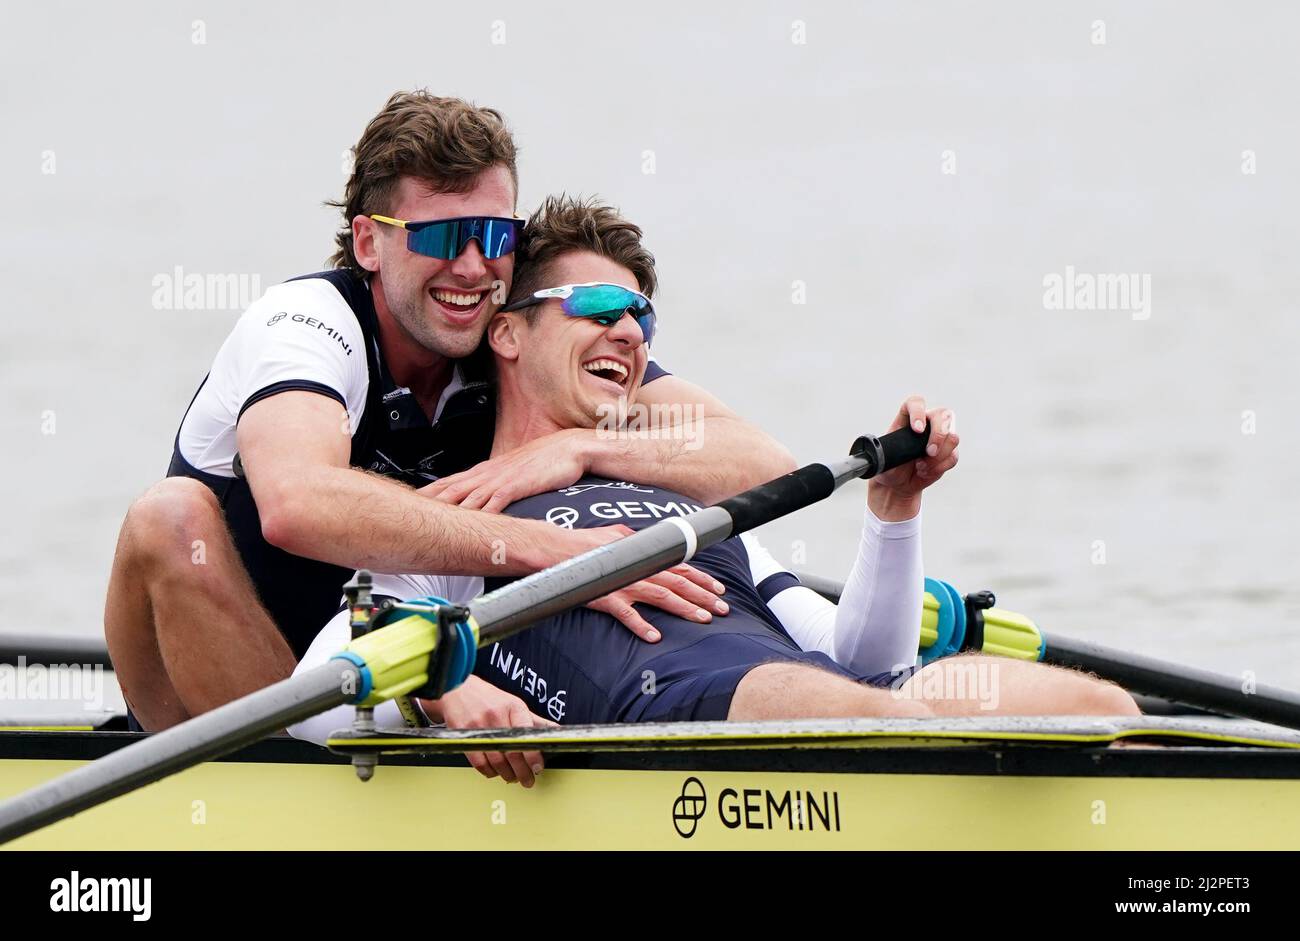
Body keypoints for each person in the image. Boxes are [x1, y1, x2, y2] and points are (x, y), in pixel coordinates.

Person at [290, 195, 1139, 787]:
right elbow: (316, 694)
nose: (628, 332)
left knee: (1103, 708)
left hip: (824, 699)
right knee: (891, 715)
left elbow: (865, 659)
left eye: (641, 317)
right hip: (682, 718)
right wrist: (442, 688)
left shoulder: (695, 504)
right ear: (507, 334)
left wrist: (893, 512)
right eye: (598, 306)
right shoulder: (459, 512)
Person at [104, 92, 796, 731]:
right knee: (167, 515)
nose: (471, 268)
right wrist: (559, 552)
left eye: (494, 237)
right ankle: (276, 778)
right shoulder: (305, 324)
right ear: (369, 242)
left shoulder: (510, 333)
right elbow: (297, 504)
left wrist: (583, 448)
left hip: (410, 680)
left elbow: (761, 463)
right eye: (440, 238)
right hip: (239, 699)